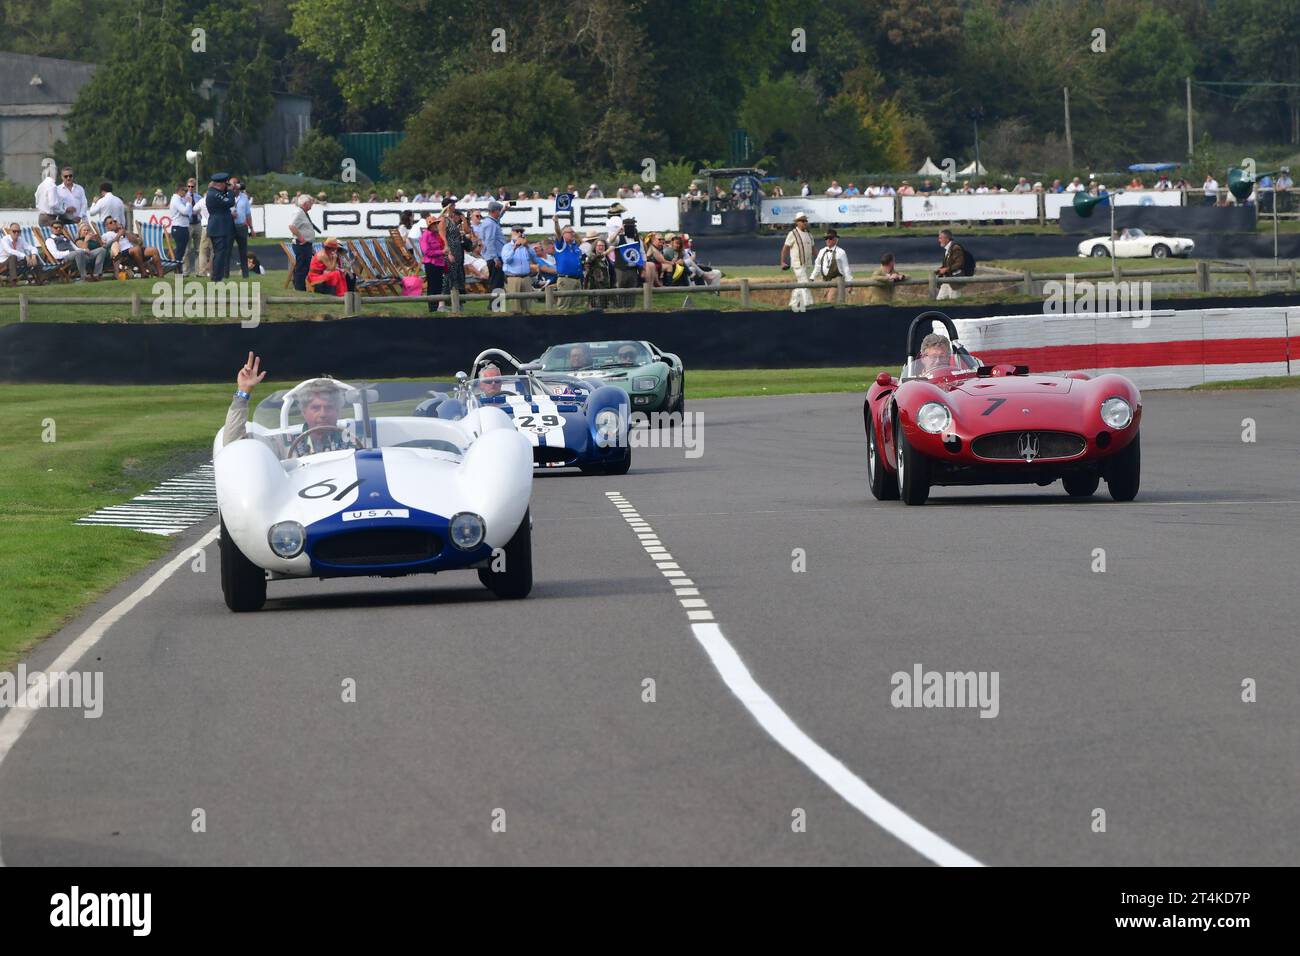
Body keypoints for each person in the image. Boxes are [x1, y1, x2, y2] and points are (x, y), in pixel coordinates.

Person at [223, 354, 357, 458]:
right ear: (304, 411)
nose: (323, 414)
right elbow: (233, 446)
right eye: (315, 408)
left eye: (329, 408)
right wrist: (243, 392)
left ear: (338, 411)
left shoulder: (354, 441)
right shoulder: (282, 444)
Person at [501, 225, 549, 312]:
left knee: (527, 306)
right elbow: (506, 260)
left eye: (521, 231)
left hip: (526, 277)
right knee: (515, 306)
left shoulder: (526, 247)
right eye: (517, 231)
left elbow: (534, 259)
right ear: (512, 233)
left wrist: (527, 246)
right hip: (513, 278)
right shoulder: (507, 247)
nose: (519, 234)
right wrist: (514, 247)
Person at [204, 173, 237, 281]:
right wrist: (231, 191)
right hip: (219, 228)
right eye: (225, 184)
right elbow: (230, 202)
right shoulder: (213, 194)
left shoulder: (215, 192)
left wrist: (228, 190)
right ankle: (216, 278)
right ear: (220, 184)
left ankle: (217, 276)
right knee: (220, 253)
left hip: (220, 227)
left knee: (221, 253)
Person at [780, 212, 814, 310]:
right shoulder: (792, 234)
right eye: (802, 221)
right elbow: (785, 248)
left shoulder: (809, 234)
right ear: (797, 222)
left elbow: (813, 249)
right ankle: (809, 304)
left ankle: (793, 304)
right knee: (805, 283)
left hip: (807, 264)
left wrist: (820, 258)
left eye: (805, 221)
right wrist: (782, 262)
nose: (804, 222)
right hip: (797, 264)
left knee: (800, 285)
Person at [809, 229, 852, 302]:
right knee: (823, 301)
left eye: (830, 238)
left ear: (836, 239)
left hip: (836, 280)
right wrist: (812, 277)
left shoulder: (841, 252)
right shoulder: (821, 251)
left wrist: (849, 282)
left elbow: (846, 268)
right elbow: (818, 266)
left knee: (831, 300)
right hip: (824, 280)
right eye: (826, 238)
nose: (828, 240)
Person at [551, 219, 584, 308]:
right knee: (564, 306)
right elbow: (558, 233)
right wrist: (556, 222)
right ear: (563, 234)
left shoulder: (575, 246)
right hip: (566, 280)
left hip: (577, 279)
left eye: (573, 232)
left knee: (576, 306)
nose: (572, 233)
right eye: (570, 232)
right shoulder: (561, 245)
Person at [288, 194, 317, 291]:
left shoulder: (302, 212)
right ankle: (299, 288)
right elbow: (291, 226)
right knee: (302, 267)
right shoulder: (299, 212)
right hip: (301, 245)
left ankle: (300, 287)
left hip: (306, 245)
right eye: (310, 202)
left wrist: (310, 245)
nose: (312, 204)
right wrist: (302, 238)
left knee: (305, 267)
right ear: (305, 203)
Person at [420, 211, 447, 312]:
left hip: (439, 263)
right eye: (435, 224)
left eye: (437, 223)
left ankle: (436, 307)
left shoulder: (436, 235)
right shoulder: (425, 236)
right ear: (430, 225)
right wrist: (441, 252)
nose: (437, 225)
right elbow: (427, 251)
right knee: (432, 286)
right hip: (431, 264)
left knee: (438, 286)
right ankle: (432, 308)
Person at [168, 181, 193, 275]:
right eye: (185, 190)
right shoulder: (176, 199)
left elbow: (189, 213)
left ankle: (178, 270)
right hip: (179, 227)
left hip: (183, 226)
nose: (186, 192)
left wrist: (188, 207)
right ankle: (177, 271)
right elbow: (185, 211)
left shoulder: (180, 199)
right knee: (179, 251)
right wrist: (189, 203)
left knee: (181, 251)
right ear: (179, 190)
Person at [480, 201, 506, 291]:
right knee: (496, 283)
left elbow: (497, 220)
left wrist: (504, 211)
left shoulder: (490, 222)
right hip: (494, 257)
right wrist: (495, 258)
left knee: (497, 282)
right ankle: (495, 304)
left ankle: (496, 304)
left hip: (493, 256)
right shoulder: (490, 224)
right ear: (494, 211)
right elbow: (489, 242)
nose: (499, 213)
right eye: (499, 211)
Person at [231, 177, 253, 278]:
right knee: (227, 250)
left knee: (243, 251)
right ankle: (225, 273)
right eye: (232, 184)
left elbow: (248, 214)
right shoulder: (226, 196)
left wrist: (251, 228)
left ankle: (245, 274)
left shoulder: (244, 197)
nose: (234, 187)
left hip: (241, 226)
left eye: (236, 184)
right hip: (230, 226)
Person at [935, 229, 966, 299]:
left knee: (955, 300)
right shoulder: (948, 249)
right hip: (947, 280)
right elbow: (947, 264)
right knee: (940, 299)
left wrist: (946, 269)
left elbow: (959, 264)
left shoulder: (955, 248)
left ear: (947, 238)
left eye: (940, 238)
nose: (939, 240)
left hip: (954, 280)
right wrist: (940, 270)